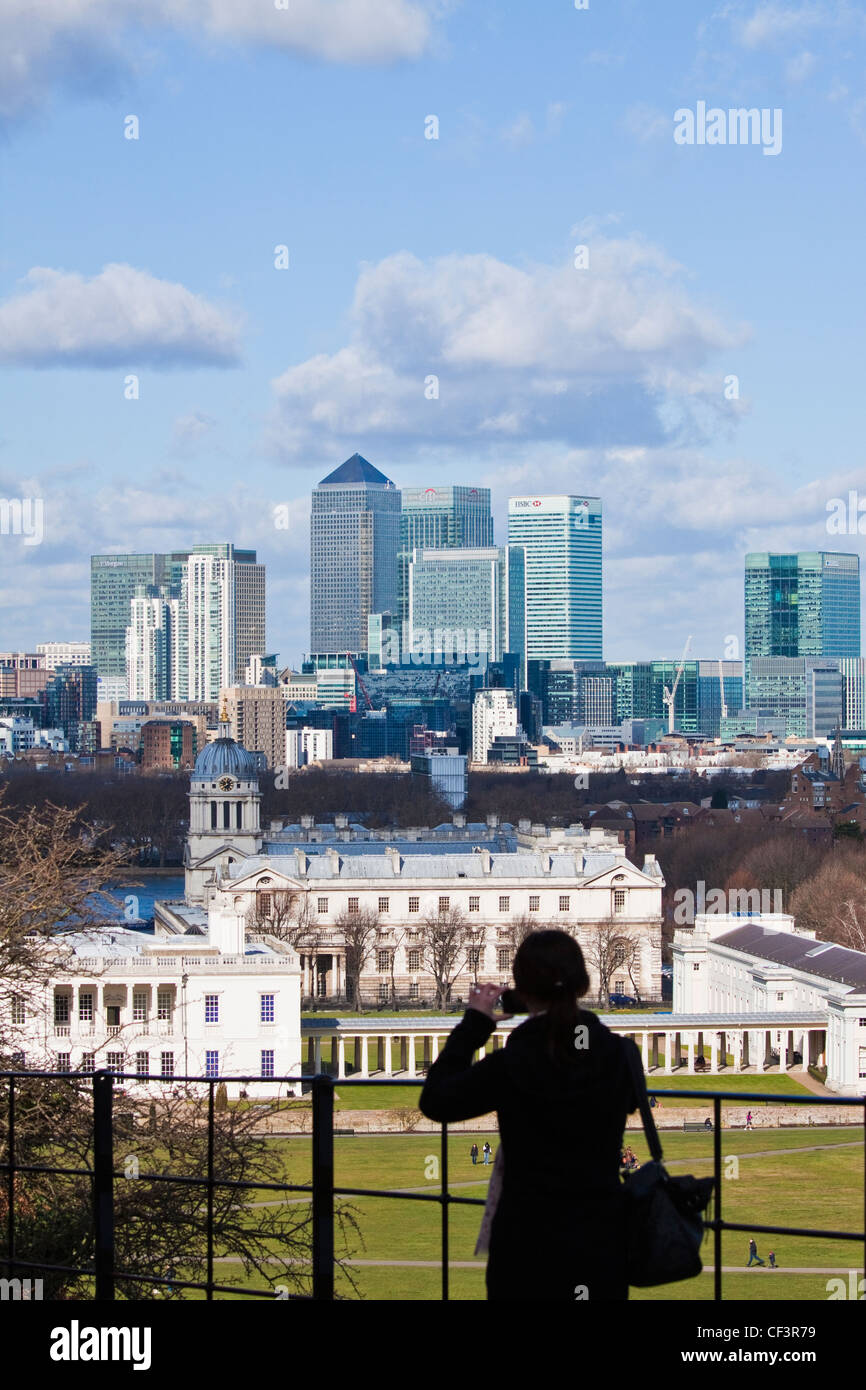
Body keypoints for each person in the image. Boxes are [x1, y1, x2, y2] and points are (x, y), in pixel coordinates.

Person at [419, 929, 642, 1301]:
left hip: (526, 1243)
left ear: (522, 991)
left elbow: (436, 1100)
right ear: (582, 983)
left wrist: (476, 1023)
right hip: (599, 1242)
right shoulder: (622, 1056)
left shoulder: (516, 1062)